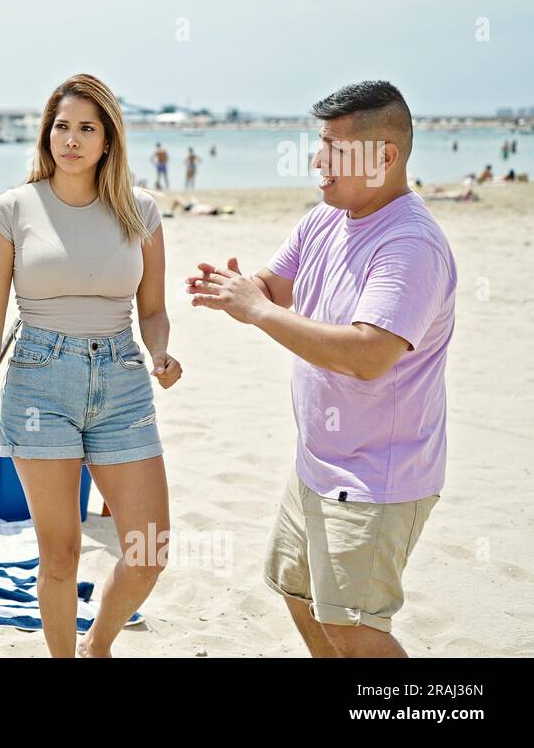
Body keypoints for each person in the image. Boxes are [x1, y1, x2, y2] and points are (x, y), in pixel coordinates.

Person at [186, 80, 455, 657]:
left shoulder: (410, 245)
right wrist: (238, 291)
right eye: (320, 144)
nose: (316, 161)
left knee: (355, 631)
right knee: (298, 592)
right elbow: (273, 286)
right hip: (317, 463)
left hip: (376, 478)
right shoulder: (325, 220)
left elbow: (368, 355)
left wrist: (258, 311)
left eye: (333, 147)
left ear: (384, 156)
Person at [0, 74, 182, 658]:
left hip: (123, 378)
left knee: (149, 550)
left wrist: (160, 352)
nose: (71, 139)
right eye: (62, 126)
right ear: (47, 134)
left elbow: (154, 310)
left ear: (108, 139)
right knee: (60, 555)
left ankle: (98, 645)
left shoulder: (141, 210)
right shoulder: (12, 209)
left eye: (87, 128)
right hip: (39, 380)